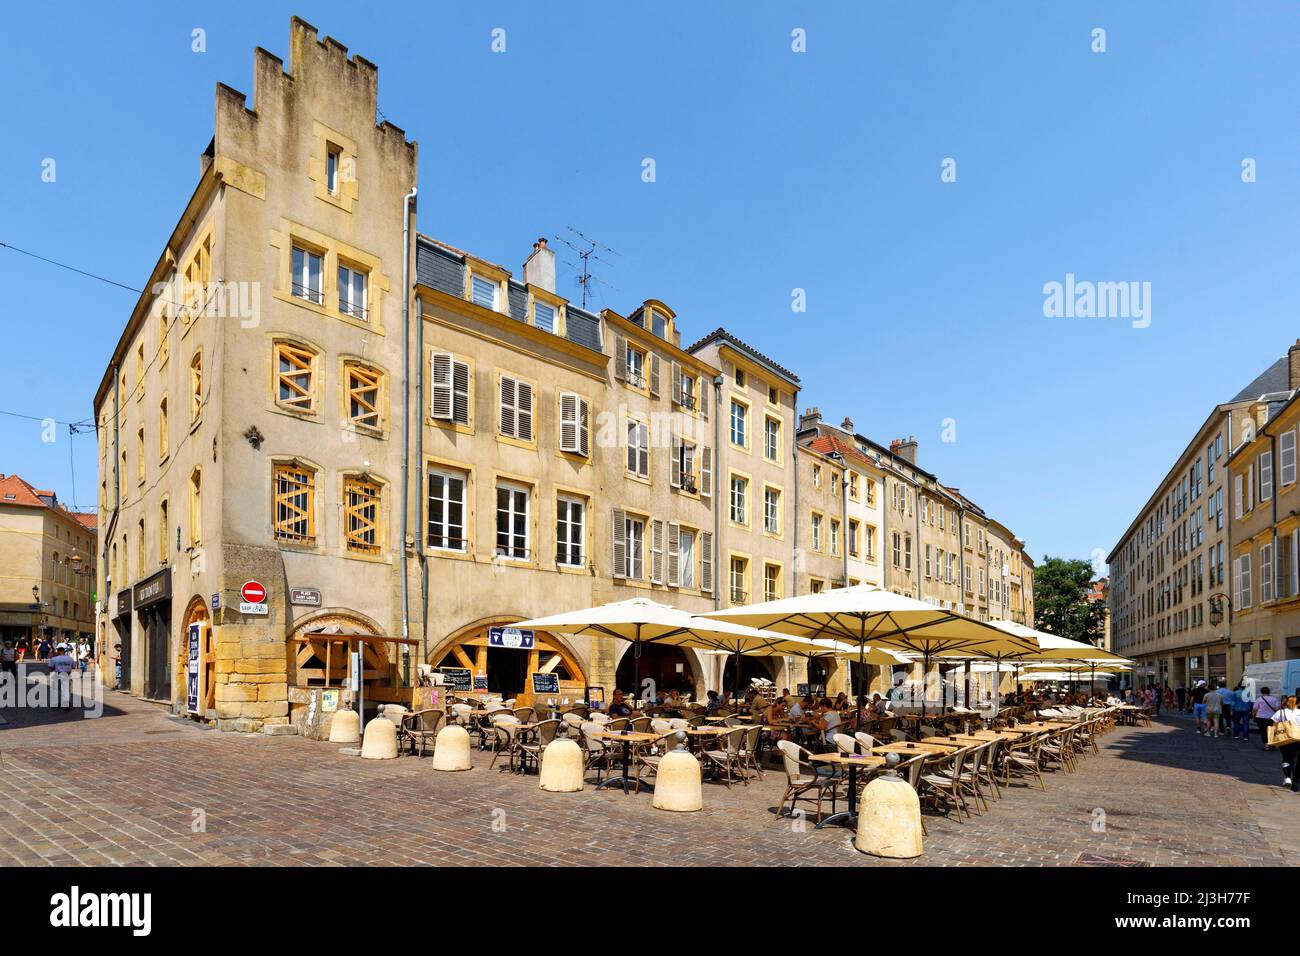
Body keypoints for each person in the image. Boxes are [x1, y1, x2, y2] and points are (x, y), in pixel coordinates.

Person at [1271, 695, 1300, 791]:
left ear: (1287, 702)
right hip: (1297, 739)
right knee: (1295, 759)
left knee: (1286, 757)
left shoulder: (1281, 712)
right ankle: (1295, 781)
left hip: (1284, 739)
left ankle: (1287, 777)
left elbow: (1274, 725)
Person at [48, 643, 76, 708]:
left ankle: (56, 704)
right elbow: (74, 667)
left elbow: (50, 667)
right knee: (66, 690)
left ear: (58, 651)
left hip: (57, 675)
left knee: (56, 690)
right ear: (64, 651)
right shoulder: (70, 659)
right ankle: (66, 704)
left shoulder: (54, 659)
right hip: (67, 675)